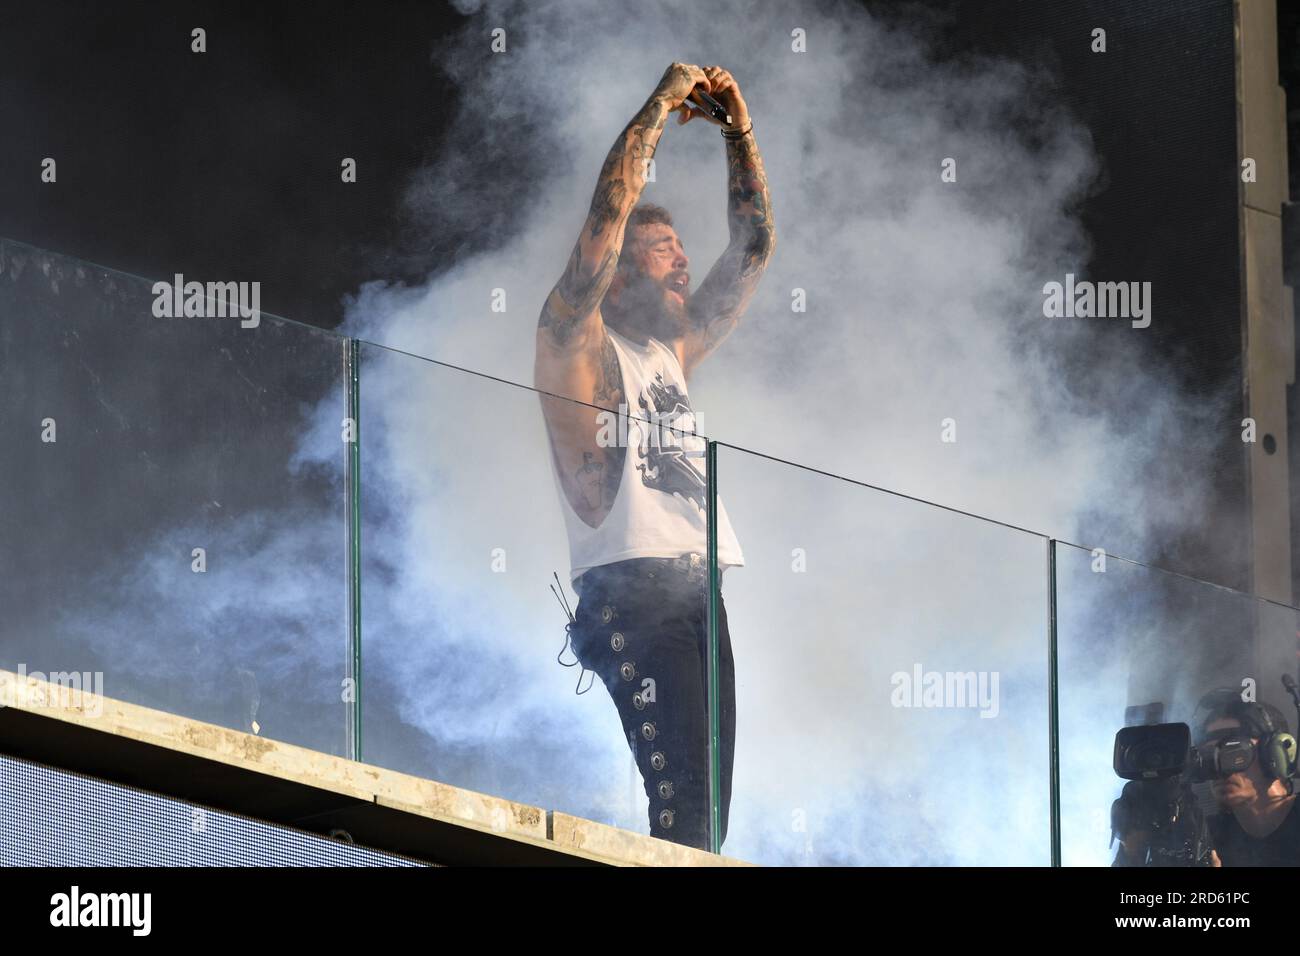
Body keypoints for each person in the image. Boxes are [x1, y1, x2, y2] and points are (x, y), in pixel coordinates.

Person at [533, 62, 775, 850]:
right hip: (631, 594)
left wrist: (737, 132)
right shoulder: (577, 345)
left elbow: (754, 248)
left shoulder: (672, 351)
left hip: (697, 589)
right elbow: (602, 228)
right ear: (621, 274)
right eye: (663, 251)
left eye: (680, 250)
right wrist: (660, 104)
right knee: (685, 814)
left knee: (708, 824)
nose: (682, 263)